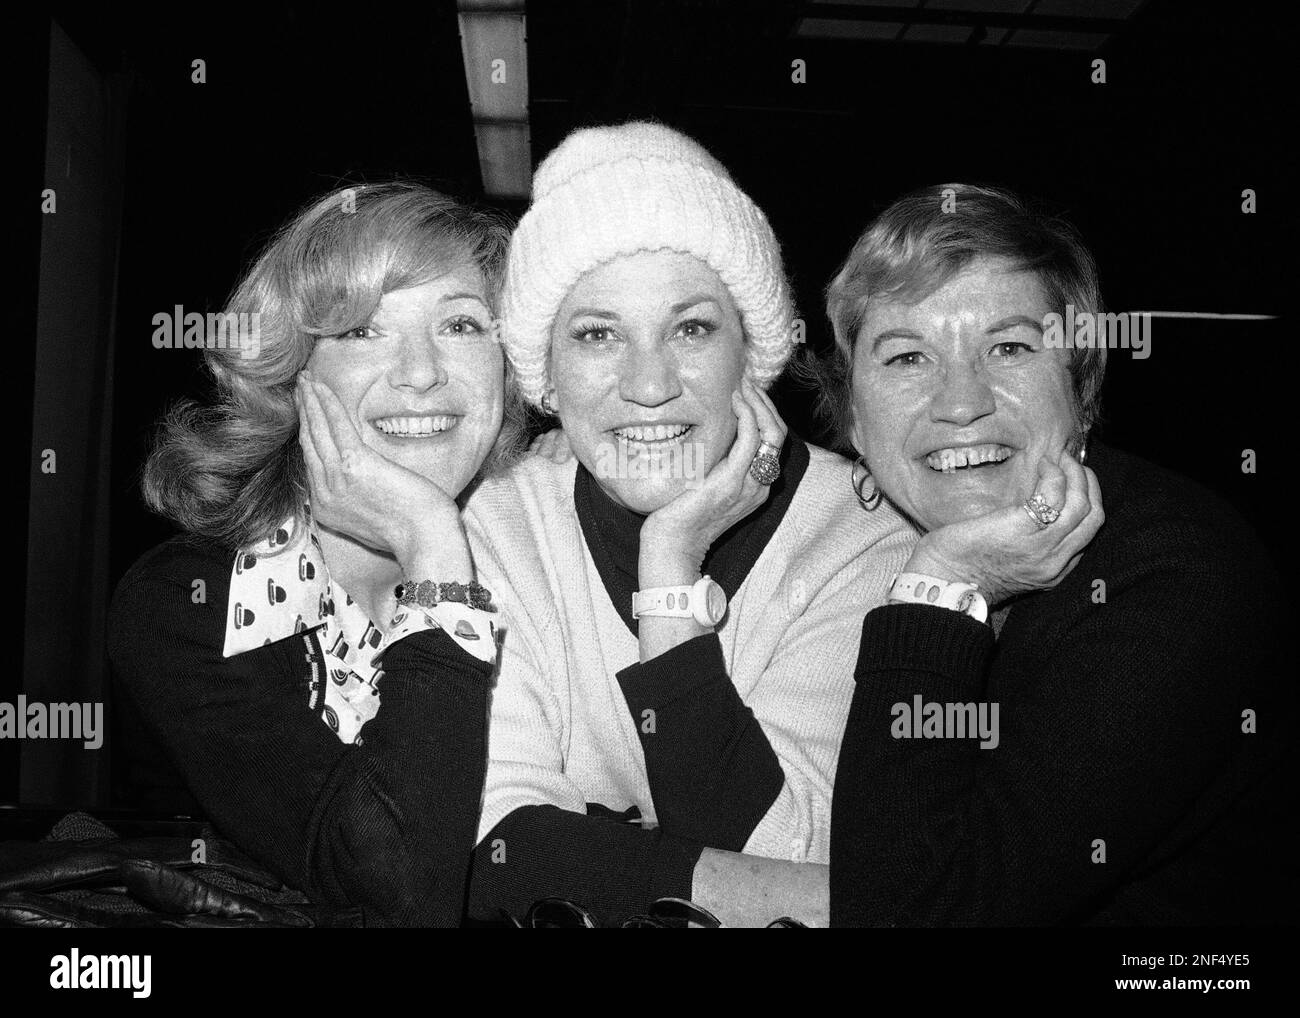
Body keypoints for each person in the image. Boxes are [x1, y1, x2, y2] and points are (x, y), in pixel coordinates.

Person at [461, 122, 916, 927]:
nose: (648, 384)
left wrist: (667, 572)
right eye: (598, 334)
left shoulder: (866, 533)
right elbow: (495, 850)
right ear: (547, 380)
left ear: (752, 354)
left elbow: (788, 855)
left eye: (692, 328)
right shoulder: (501, 518)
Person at [821, 183, 1293, 925]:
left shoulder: (1178, 576)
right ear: (853, 410)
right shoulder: (862, 548)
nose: (960, 401)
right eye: (907, 356)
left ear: (1082, 387)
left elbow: (912, 913)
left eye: (1008, 347)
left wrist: (943, 584)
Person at [109, 182, 522, 926]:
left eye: (461, 324)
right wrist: (431, 547)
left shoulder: (535, 559)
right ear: (291, 371)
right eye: (363, 331)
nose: (421, 372)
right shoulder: (186, 606)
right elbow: (399, 891)